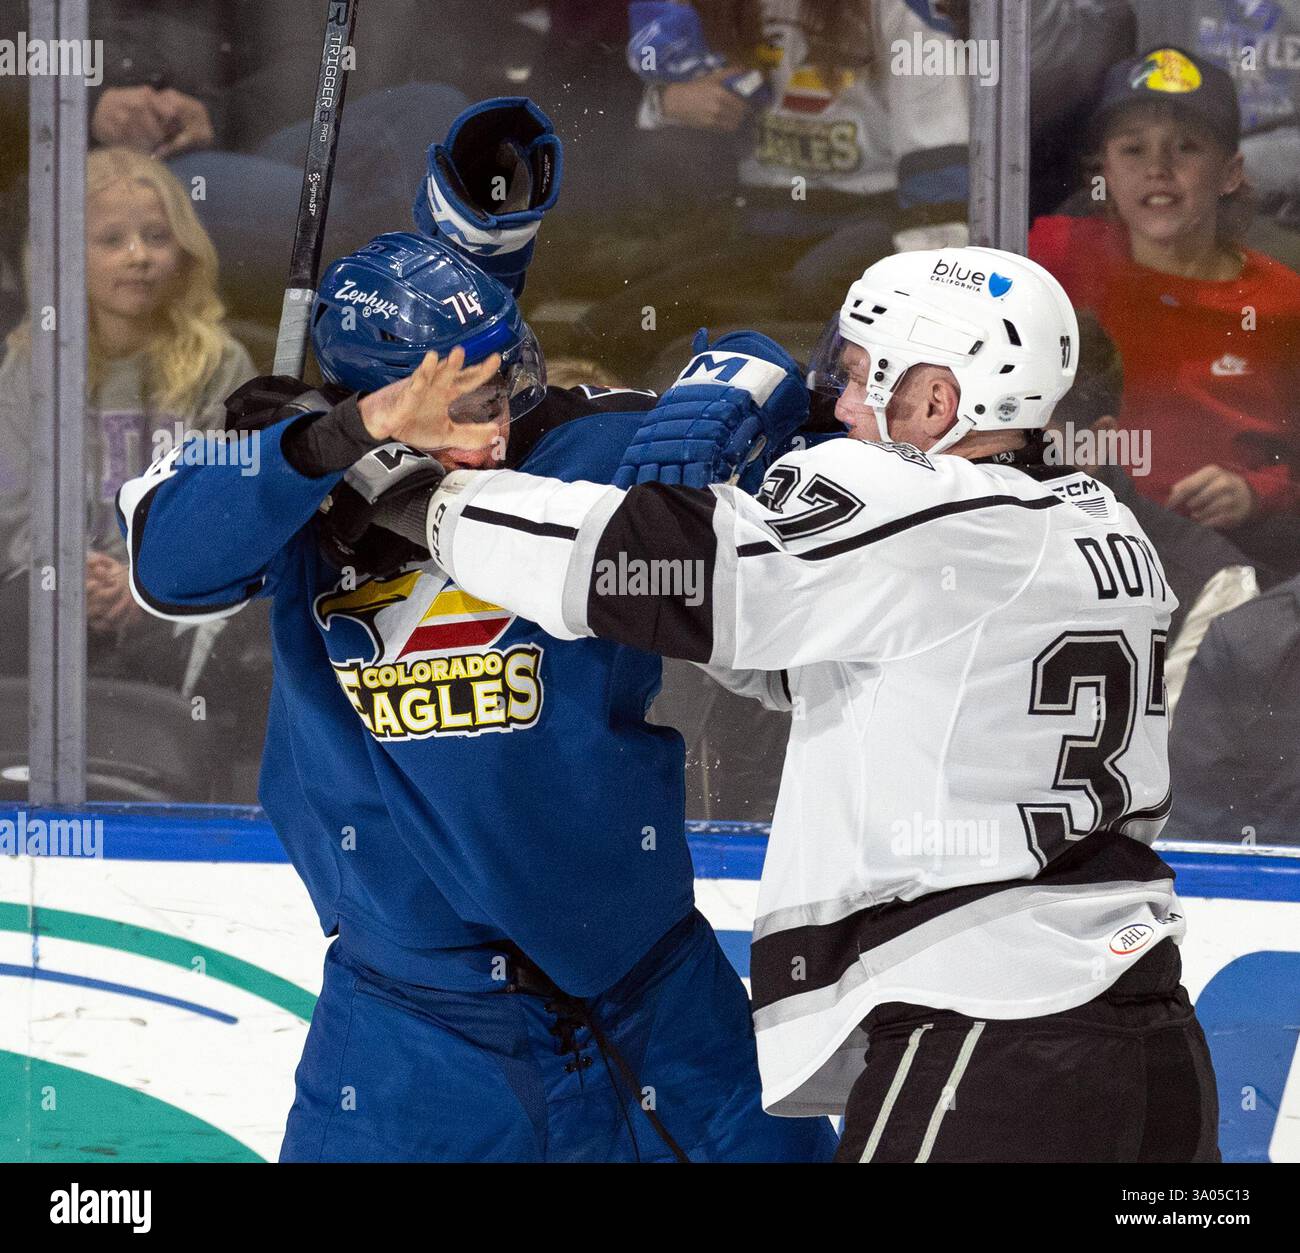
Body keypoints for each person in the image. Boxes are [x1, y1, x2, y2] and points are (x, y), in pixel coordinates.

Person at [387, 246, 1221, 1163]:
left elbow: (646, 570)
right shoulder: (1096, 520)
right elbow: (808, 657)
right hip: (1155, 1042)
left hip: (989, 1032)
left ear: (939, 403)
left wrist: (420, 497)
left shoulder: (913, 498)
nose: (841, 405)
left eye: (862, 376)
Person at [117, 229, 836, 1163]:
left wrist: (745, 386)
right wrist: (318, 450)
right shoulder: (294, 481)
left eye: (499, 395)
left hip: (650, 995)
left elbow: (797, 411)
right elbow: (167, 567)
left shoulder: (586, 450)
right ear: (374, 403)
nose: (493, 433)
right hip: (407, 1034)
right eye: (453, 410)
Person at [1028, 46, 1300, 575]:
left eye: (1187, 148)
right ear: (1100, 172)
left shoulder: (1285, 302)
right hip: (1071, 542)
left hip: (1233, 557)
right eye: (1133, 150)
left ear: (1230, 173)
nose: (1158, 169)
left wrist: (1254, 495)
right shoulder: (1052, 256)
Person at [0, 146, 254, 682]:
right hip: (51, 588)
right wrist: (68, 570)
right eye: (112, 240)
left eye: (157, 237)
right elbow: (13, 497)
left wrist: (146, 581)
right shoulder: (32, 360)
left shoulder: (221, 362)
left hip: (176, 594)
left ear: (185, 250)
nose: (138, 255)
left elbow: (228, 501)